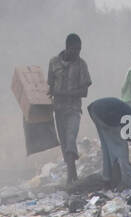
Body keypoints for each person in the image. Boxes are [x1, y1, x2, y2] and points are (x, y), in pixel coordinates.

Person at [47, 33, 92, 185]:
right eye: (75, 49)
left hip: (73, 109)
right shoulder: (53, 63)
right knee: (64, 144)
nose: (77, 53)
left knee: (71, 138)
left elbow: (84, 92)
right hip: (58, 110)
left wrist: (64, 93)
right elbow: (50, 88)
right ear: (67, 48)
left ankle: (71, 178)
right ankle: (72, 175)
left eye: (79, 50)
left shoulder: (81, 65)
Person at [87, 97, 131, 188]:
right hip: (105, 112)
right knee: (121, 150)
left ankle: (107, 178)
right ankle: (125, 179)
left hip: (95, 109)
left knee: (107, 148)